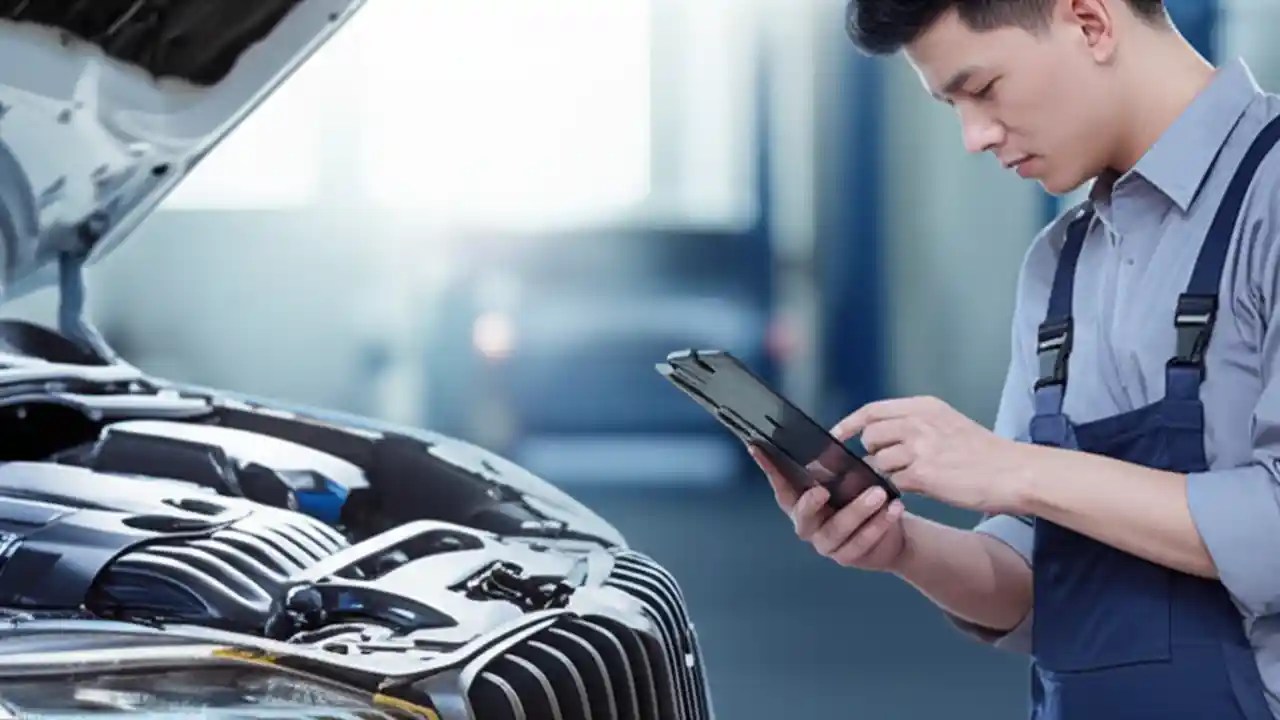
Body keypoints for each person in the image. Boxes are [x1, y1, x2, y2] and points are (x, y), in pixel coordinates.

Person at [748, 1, 1280, 718]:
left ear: (1089, 21)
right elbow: (1036, 576)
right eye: (952, 104)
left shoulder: (1269, 200)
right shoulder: (1057, 266)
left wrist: (1016, 469)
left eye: (984, 88)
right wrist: (900, 545)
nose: (974, 136)